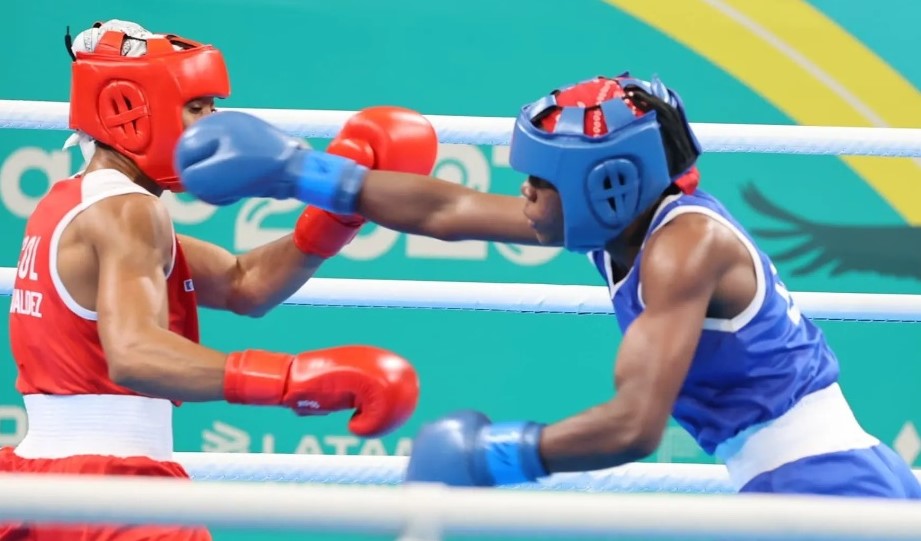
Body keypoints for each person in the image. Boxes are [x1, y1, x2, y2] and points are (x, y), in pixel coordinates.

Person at [173, 73, 921, 499]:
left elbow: (633, 424)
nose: (524, 194)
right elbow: (446, 207)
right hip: (800, 483)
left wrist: (498, 455)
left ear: (608, 182)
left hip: (825, 488)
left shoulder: (682, 249)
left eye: (539, 180)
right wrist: (303, 172)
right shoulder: (619, 224)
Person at [3, 19, 436, 541]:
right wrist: (289, 379)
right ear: (128, 109)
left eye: (212, 107)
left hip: (38, 481)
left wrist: (339, 215)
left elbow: (242, 283)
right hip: (109, 490)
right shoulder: (127, 213)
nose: (213, 126)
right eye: (196, 108)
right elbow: (134, 354)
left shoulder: (72, 201)